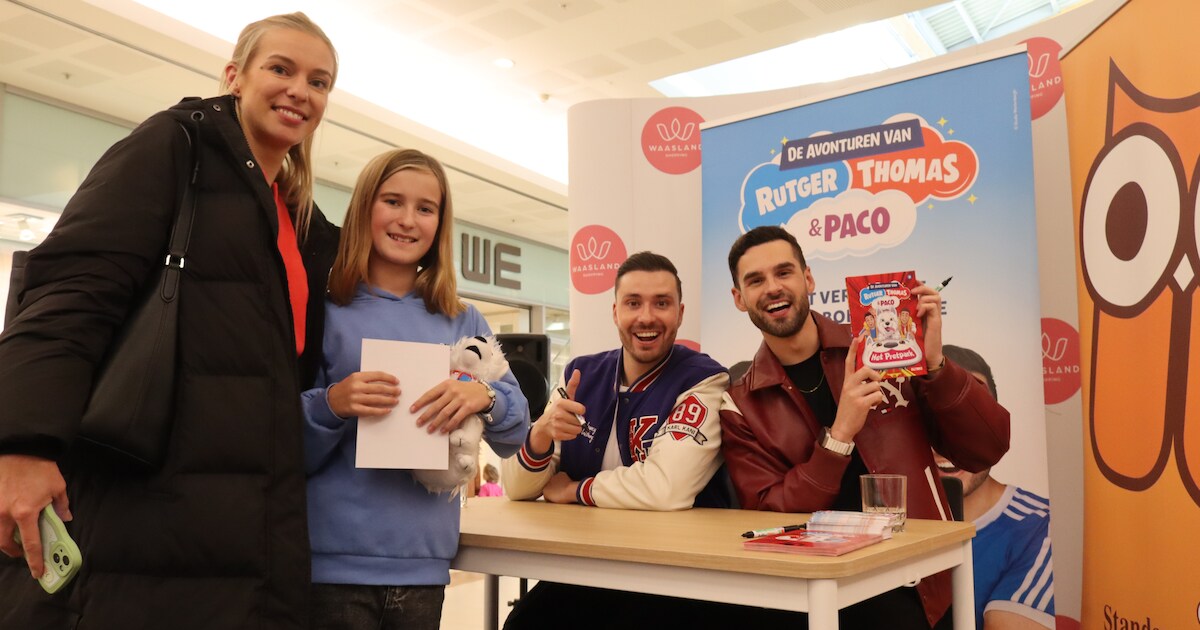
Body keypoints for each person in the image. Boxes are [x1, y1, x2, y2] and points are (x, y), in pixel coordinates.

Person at [0, 13, 341, 628]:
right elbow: (71, 294)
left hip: (252, 525)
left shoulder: (294, 215)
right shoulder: (173, 146)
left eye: (319, 82)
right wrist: (22, 445)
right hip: (145, 512)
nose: (300, 91)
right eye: (280, 69)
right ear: (234, 76)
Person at [719, 226, 1010, 630]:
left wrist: (937, 366)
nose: (772, 287)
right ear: (739, 298)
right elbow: (768, 514)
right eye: (755, 280)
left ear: (808, 278)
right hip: (816, 597)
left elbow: (987, 448)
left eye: (784, 272)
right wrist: (839, 437)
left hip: (918, 587)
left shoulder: (882, 350)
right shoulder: (740, 402)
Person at [300, 148, 529, 630]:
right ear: (365, 207)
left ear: (440, 223)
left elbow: (516, 434)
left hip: (425, 563)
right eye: (392, 201)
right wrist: (332, 403)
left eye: (425, 208)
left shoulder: (462, 319)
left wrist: (484, 397)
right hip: (331, 565)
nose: (408, 220)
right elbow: (283, 444)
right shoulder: (324, 310)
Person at [502, 251, 730, 628]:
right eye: (633, 303)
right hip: (590, 566)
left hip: (676, 575)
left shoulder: (704, 380)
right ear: (614, 312)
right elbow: (515, 487)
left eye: (662, 303)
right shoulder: (581, 373)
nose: (646, 317)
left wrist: (575, 490)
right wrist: (541, 433)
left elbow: (665, 488)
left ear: (680, 313)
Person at [933, 345, 1055, 630]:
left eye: (972, 421)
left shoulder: (1039, 525)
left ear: (995, 430)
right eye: (934, 421)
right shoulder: (888, 525)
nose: (950, 442)